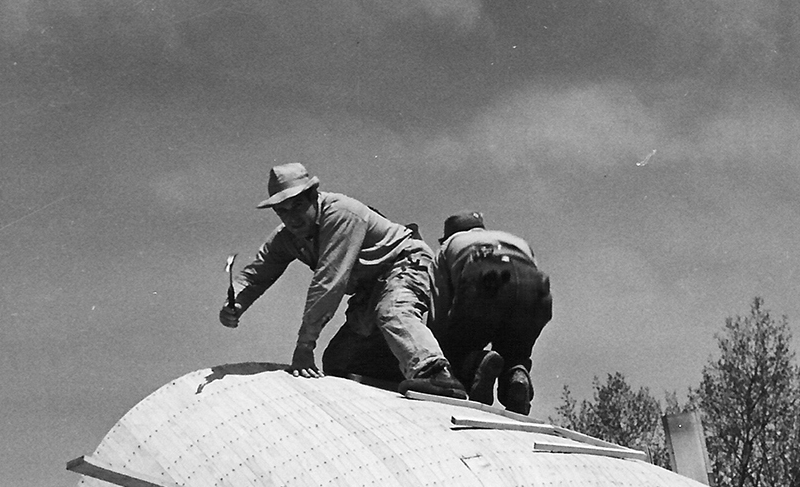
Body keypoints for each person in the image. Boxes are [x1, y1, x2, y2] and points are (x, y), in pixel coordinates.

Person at [220, 162, 469, 398]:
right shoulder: (287, 238)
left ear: (313, 195)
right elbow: (257, 273)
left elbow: (329, 283)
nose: (292, 217)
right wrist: (236, 304)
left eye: (297, 206)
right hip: (370, 287)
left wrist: (305, 346)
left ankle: (436, 375)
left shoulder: (340, 213)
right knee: (340, 362)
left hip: (404, 263)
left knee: (392, 310)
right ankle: (465, 369)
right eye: (282, 211)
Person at [431, 212, 553, 413]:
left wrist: (439, 345)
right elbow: (520, 288)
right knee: (515, 350)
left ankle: (476, 364)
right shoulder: (516, 240)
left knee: (457, 349)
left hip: (486, 277)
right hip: (535, 288)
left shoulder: (449, 245)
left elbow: (440, 300)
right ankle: (516, 375)